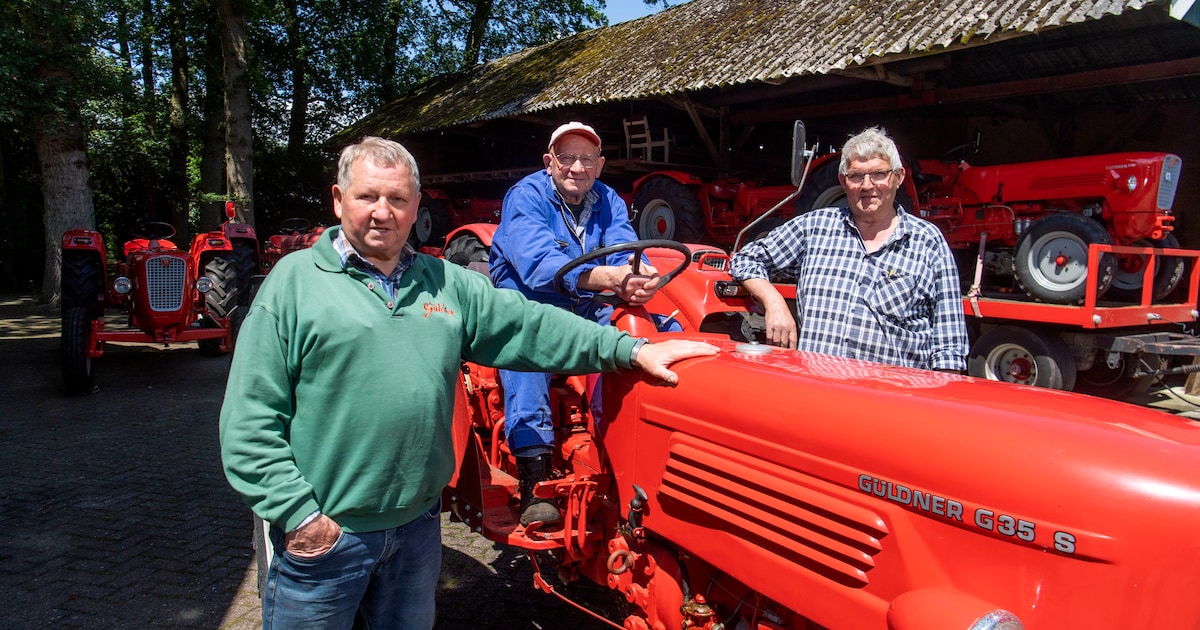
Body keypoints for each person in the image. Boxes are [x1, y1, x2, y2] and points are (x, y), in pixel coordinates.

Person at [219, 136, 718, 630]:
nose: (382, 212)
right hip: (327, 533)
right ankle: (532, 458)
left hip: (415, 531)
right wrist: (299, 516)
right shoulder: (295, 282)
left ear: (416, 207)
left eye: (397, 199)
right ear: (338, 199)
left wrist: (634, 349)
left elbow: (526, 325)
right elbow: (250, 419)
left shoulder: (444, 282)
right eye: (367, 196)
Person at [489, 121, 667, 526]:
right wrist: (607, 279)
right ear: (549, 161)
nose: (576, 167)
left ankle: (630, 443)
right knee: (524, 350)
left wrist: (639, 277)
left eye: (587, 159)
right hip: (530, 297)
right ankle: (534, 474)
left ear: (600, 165)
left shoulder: (609, 200)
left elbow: (623, 246)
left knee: (654, 331)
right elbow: (537, 265)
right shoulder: (527, 196)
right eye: (566, 157)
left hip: (583, 298)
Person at [729, 126, 968, 373]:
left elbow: (949, 346)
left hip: (894, 399)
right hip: (818, 388)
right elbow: (746, 259)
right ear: (843, 181)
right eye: (856, 176)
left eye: (878, 174)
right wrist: (773, 301)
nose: (867, 185)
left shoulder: (928, 242)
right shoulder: (815, 227)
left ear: (898, 177)